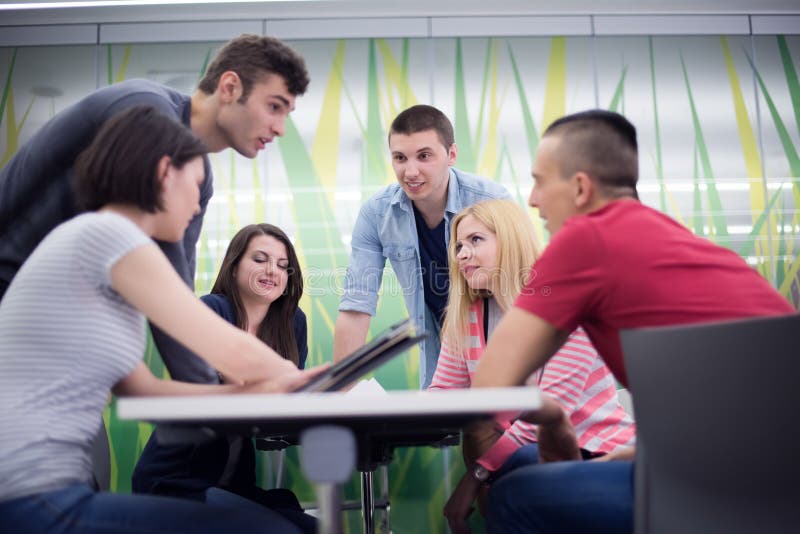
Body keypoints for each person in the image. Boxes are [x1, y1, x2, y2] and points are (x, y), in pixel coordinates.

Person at [465, 110, 796, 533]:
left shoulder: (583, 239)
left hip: (726, 486)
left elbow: (491, 386)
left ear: (581, 188)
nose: (533, 199)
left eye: (540, 181)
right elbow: (730, 408)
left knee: (515, 495)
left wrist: (554, 417)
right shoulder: (677, 241)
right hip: (775, 478)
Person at [0, 106, 327, 533]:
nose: (197, 204)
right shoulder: (109, 233)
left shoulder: (105, 257)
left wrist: (268, 389)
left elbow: (147, 392)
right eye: (197, 186)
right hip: (33, 498)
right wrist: (303, 381)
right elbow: (229, 348)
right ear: (164, 173)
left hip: (51, 490)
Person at [0, 33, 309, 385]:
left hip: (52, 323)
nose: (281, 128)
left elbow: (179, 292)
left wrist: (211, 404)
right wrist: (215, 397)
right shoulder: (144, 114)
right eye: (274, 106)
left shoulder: (195, 175)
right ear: (229, 87)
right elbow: (176, 308)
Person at [428, 199, 635, 533]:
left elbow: (548, 418)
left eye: (476, 240)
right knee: (482, 432)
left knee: (517, 457)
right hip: (523, 451)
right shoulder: (466, 315)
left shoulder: (563, 307)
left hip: (594, 451)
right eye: (458, 246)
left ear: (510, 241)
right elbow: (443, 393)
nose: (462, 254)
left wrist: (473, 479)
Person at [133, 223, 314, 532]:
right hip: (178, 481)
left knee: (304, 520)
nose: (272, 270)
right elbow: (217, 385)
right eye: (260, 259)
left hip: (233, 483)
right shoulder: (211, 309)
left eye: (283, 266)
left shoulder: (292, 323)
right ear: (233, 267)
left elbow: (287, 400)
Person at [333, 104, 510, 388]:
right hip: (441, 354)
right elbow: (356, 306)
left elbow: (518, 291)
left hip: (497, 344)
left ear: (451, 154)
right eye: (400, 158)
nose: (410, 171)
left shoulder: (492, 200)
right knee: (441, 427)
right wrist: (337, 397)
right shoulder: (377, 214)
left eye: (424, 156)